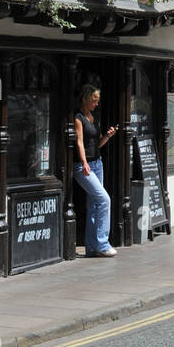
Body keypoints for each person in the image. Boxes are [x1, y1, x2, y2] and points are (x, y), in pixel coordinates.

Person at [73, 85, 118, 258]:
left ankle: (91, 247)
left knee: (94, 206)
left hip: (97, 163)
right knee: (104, 199)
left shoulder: (94, 117)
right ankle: (102, 243)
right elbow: (79, 143)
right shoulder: (78, 118)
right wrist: (84, 163)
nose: (96, 104)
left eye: (97, 101)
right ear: (85, 99)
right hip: (84, 166)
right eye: (94, 100)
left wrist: (107, 136)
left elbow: (96, 144)